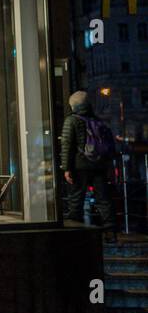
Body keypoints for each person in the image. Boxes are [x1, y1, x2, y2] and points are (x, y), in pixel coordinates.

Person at [60, 90, 115, 228]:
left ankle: (76, 231)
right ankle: (110, 230)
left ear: (73, 106)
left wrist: (66, 168)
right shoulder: (98, 121)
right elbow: (109, 145)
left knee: (76, 199)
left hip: (80, 166)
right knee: (103, 199)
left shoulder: (71, 120)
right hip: (99, 165)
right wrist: (108, 165)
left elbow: (67, 145)